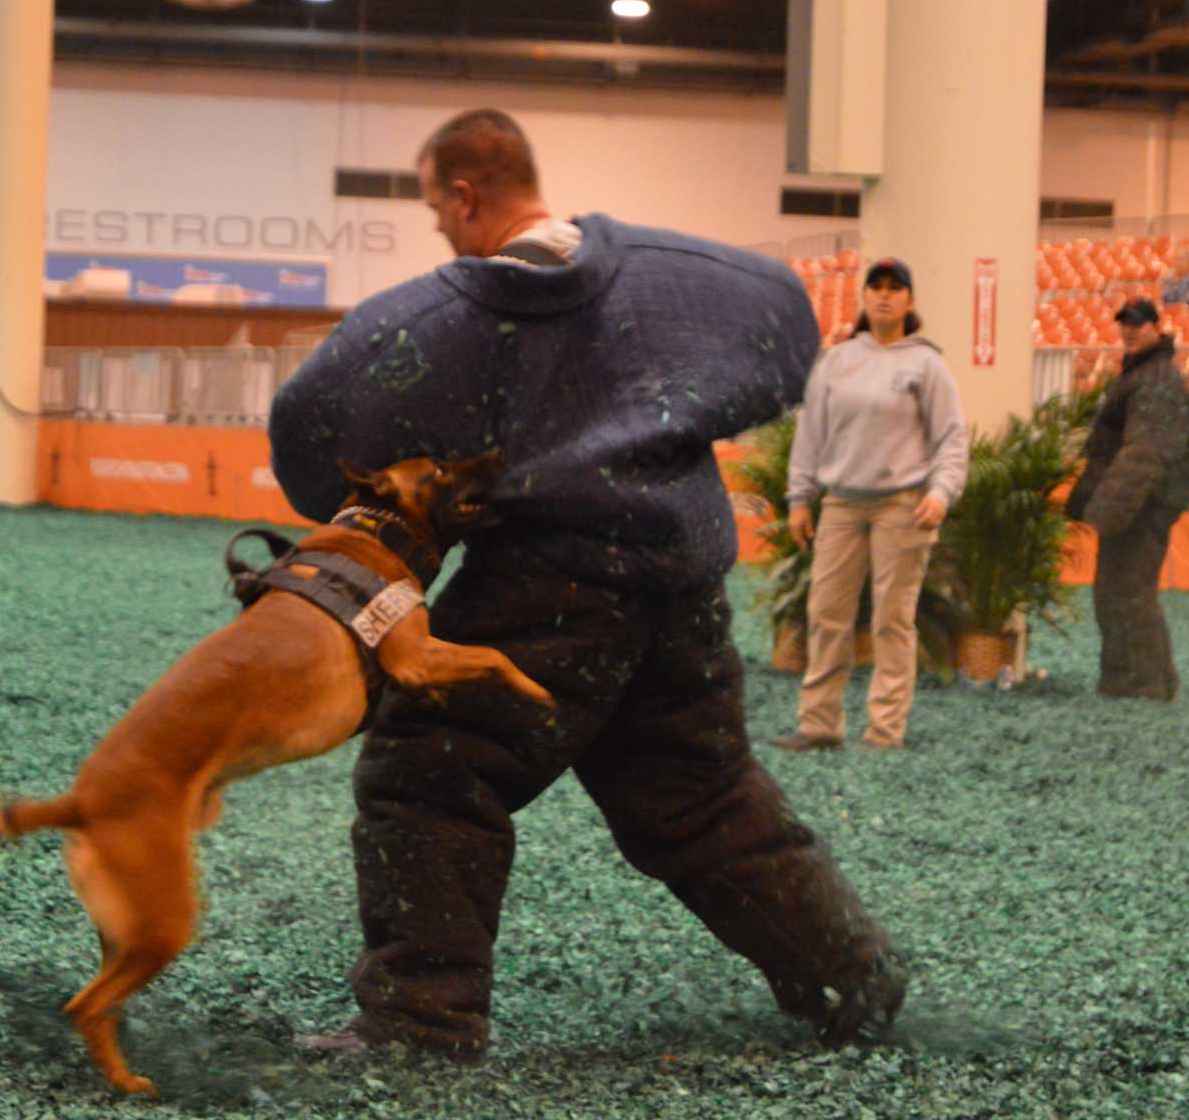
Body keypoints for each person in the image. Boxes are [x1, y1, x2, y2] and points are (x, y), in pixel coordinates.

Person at [268, 109, 906, 1058]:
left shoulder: (457, 318)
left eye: (439, 207)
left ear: (467, 194)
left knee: (430, 771)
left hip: (550, 582)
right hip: (680, 579)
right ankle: (854, 983)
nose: (441, 229)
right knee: (704, 796)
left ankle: (418, 1019)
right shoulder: (669, 282)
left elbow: (312, 432)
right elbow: (780, 319)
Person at [774, 257, 967, 752]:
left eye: (895, 288)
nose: (884, 296)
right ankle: (819, 725)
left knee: (892, 619)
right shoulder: (835, 362)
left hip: (903, 507)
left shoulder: (927, 364)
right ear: (864, 298)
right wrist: (800, 498)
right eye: (876, 287)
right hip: (840, 504)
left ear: (910, 300)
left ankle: (884, 731)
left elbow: (951, 439)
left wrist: (941, 493)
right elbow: (810, 434)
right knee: (827, 613)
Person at [1064, 299, 1189, 701]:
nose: (1129, 330)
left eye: (1138, 324)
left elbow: (1145, 453)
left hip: (1142, 505)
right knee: (1123, 591)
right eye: (1124, 323)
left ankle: (1145, 685)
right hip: (1139, 503)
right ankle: (1136, 681)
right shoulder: (1145, 375)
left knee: (1128, 593)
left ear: (1157, 328)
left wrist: (1107, 510)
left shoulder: (1156, 382)